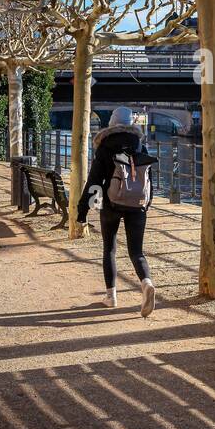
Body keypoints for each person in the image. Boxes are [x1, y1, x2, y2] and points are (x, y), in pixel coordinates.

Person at [76, 107, 157, 315]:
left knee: (109, 249)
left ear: (111, 123)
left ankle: (111, 296)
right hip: (137, 203)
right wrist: (147, 203)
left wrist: (82, 211)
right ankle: (146, 283)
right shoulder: (140, 145)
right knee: (137, 251)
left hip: (110, 203)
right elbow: (149, 177)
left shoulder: (104, 147)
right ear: (130, 123)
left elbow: (94, 181)